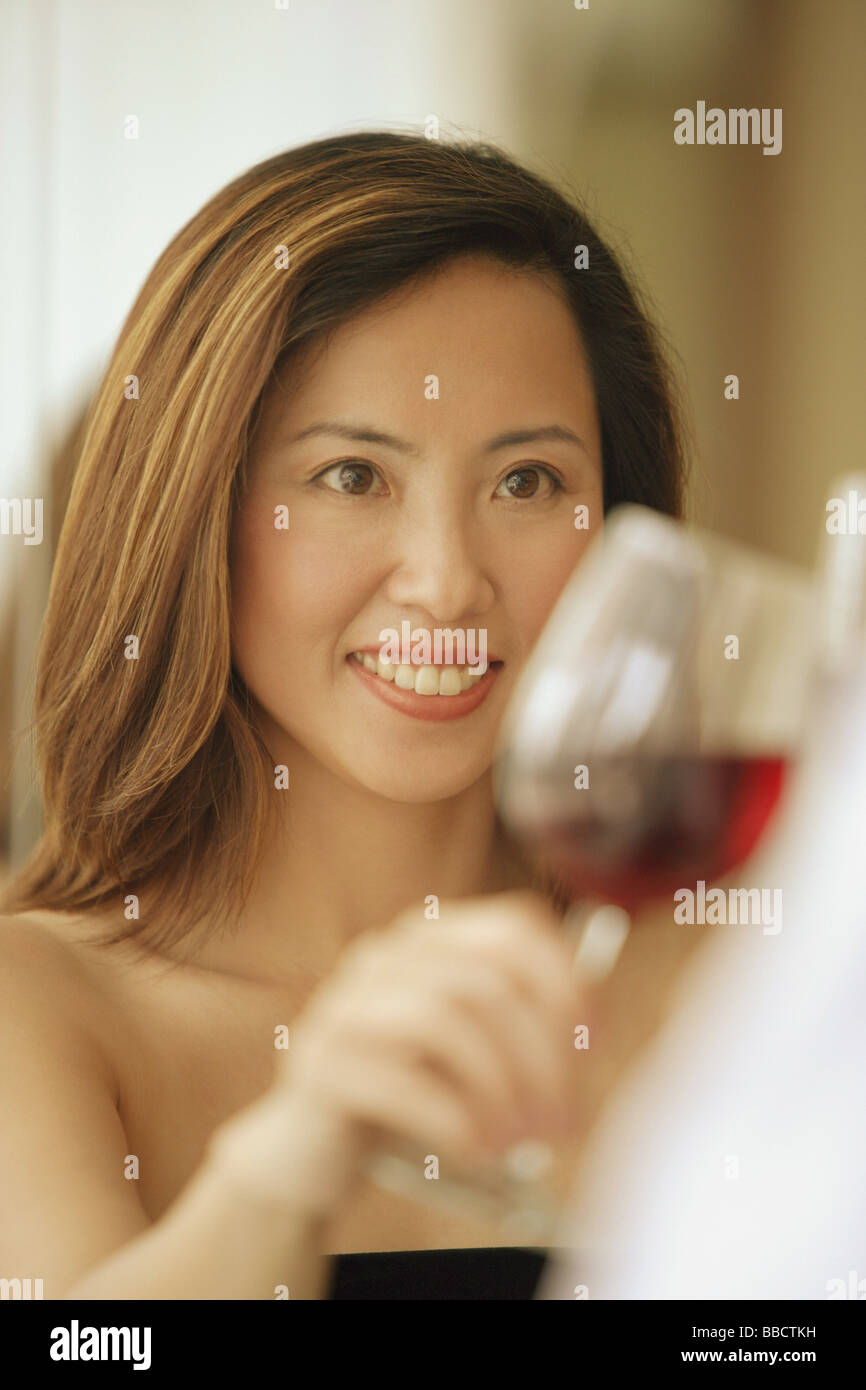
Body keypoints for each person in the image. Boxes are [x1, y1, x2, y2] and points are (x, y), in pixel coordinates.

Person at [0, 128, 688, 1300]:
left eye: (526, 482)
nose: (444, 580)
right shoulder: (42, 1007)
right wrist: (282, 1165)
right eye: (351, 476)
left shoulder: (713, 991)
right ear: (200, 516)